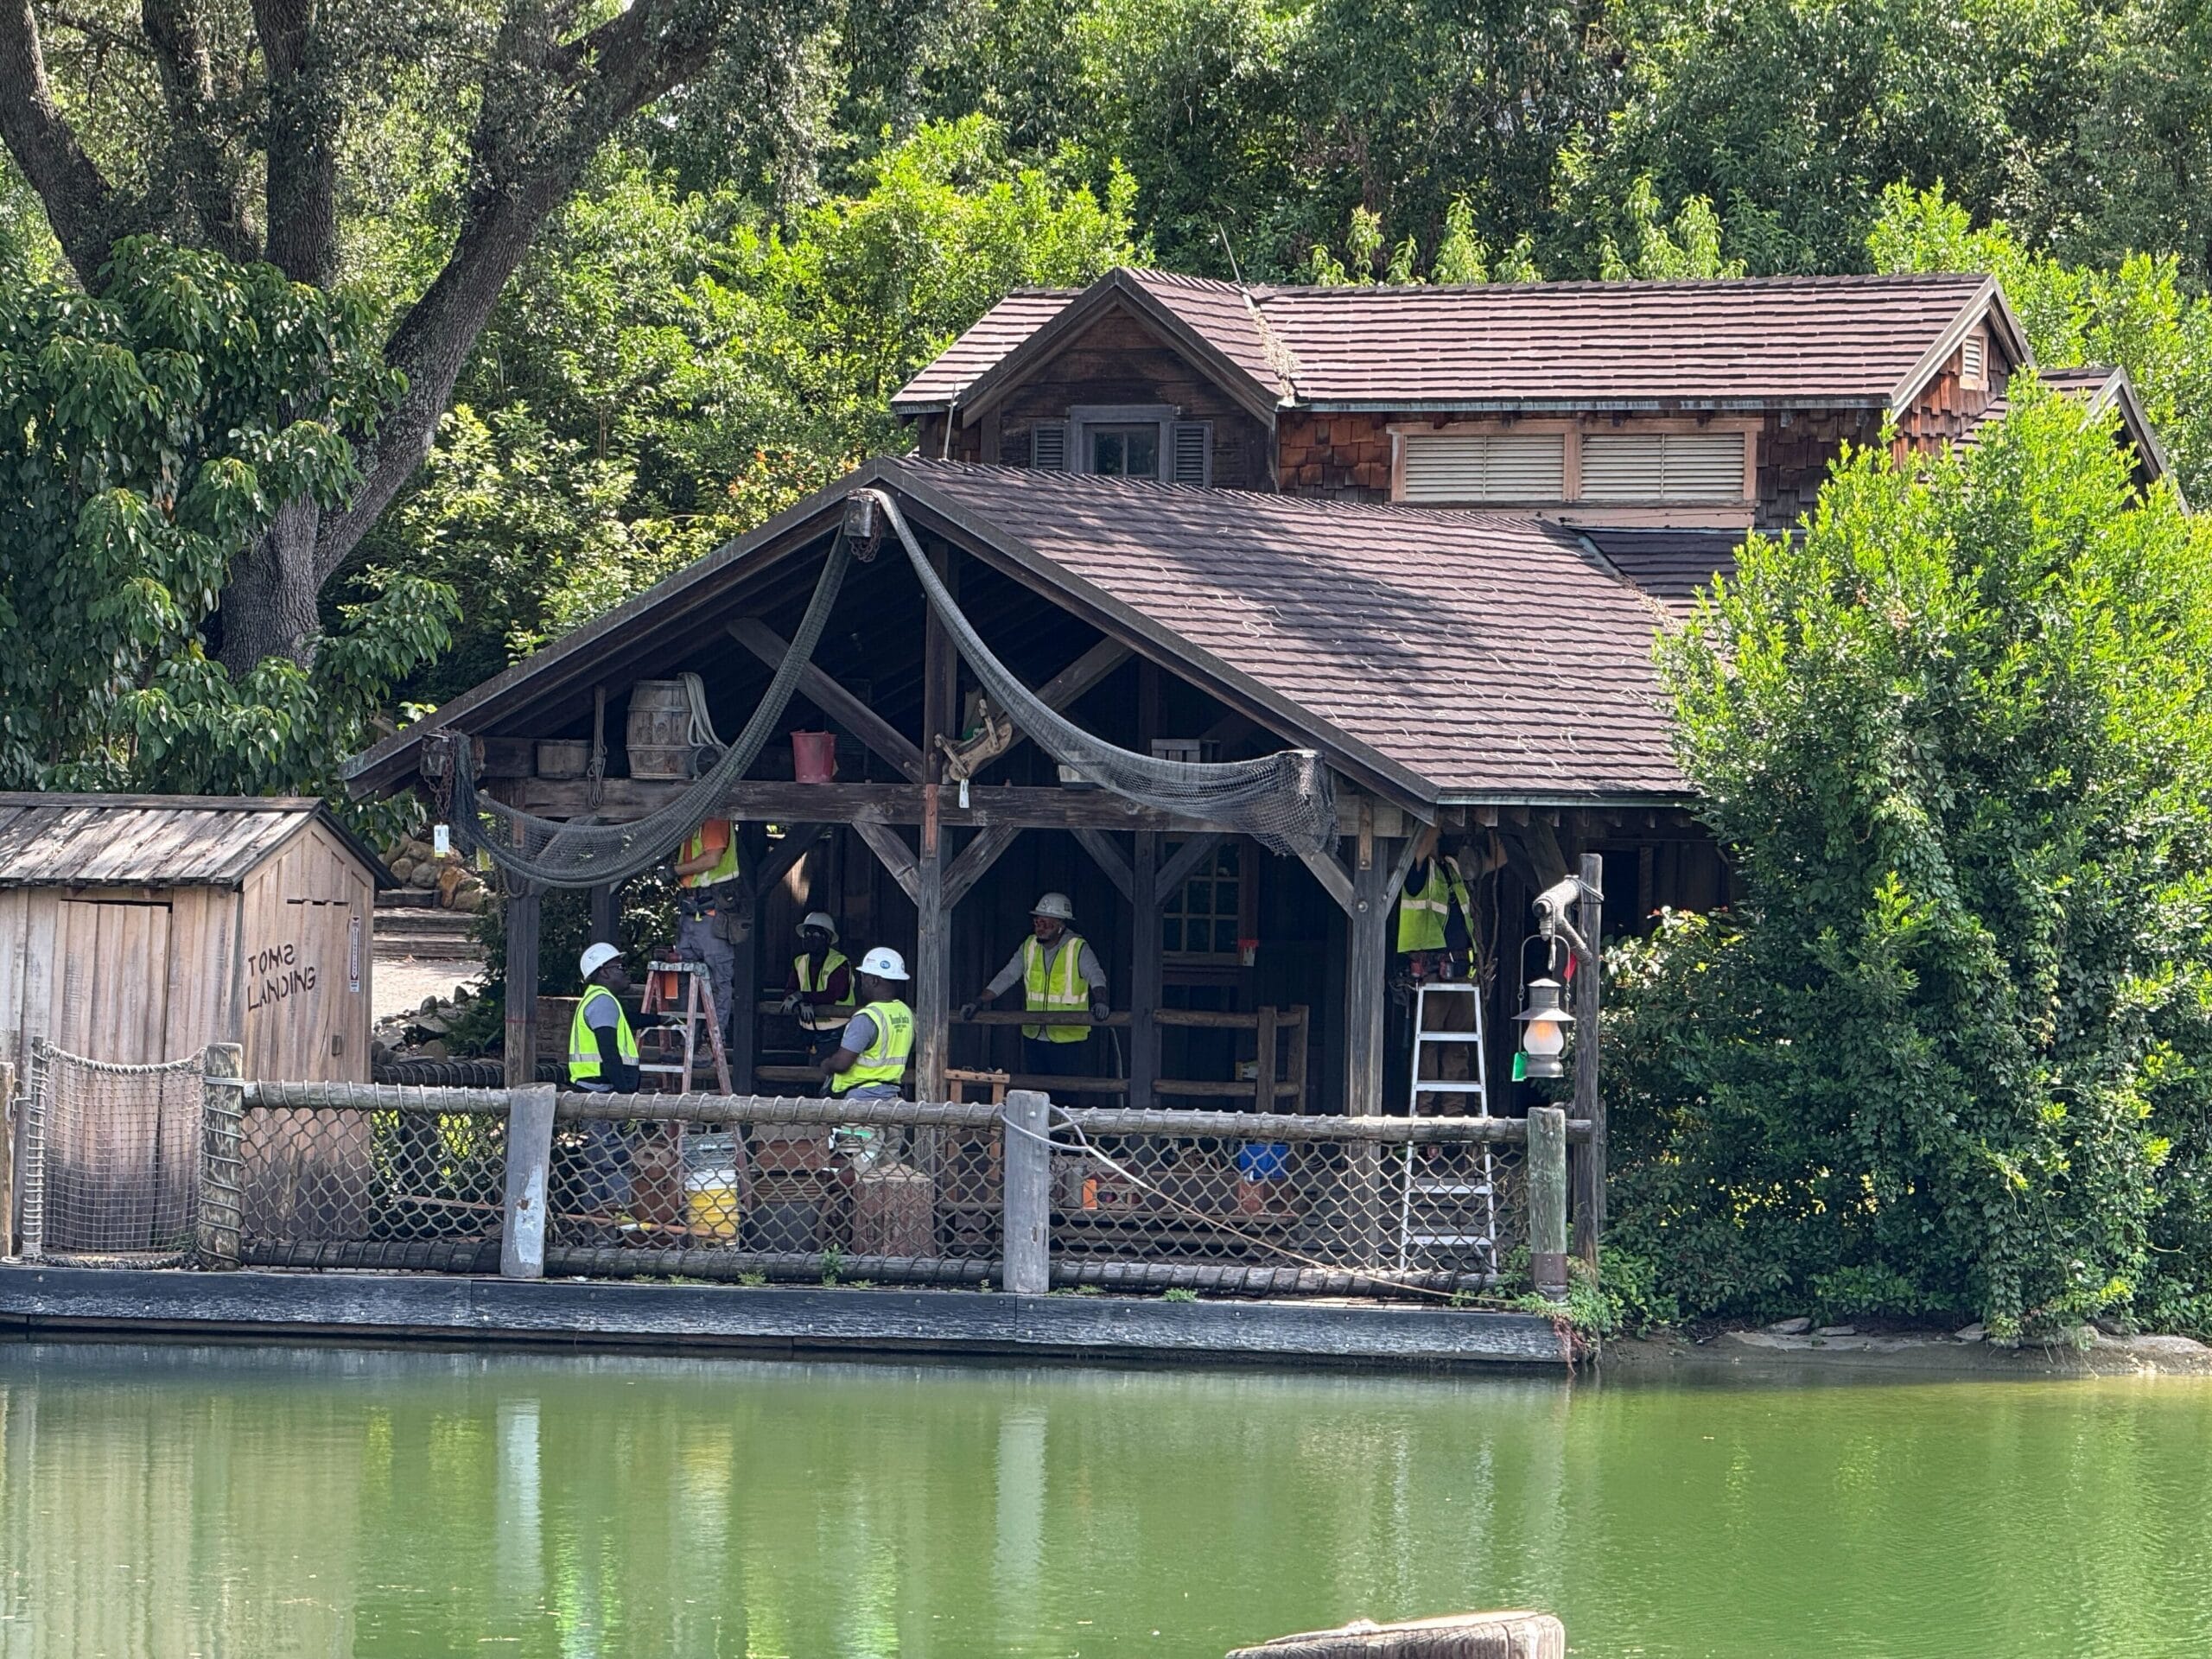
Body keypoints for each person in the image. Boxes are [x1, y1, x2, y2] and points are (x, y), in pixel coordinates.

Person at [961, 892, 1109, 1081]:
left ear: (1061, 926)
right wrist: (979, 1001)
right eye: (1038, 922)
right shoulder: (1029, 946)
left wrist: (1101, 1001)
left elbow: (1095, 975)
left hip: (1068, 1038)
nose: (1040, 928)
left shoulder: (1077, 947)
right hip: (1034, 1036)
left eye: (1046, 923)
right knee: (1036, 1092)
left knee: (1065, 1096)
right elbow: (1007, 975)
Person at [569, 942, 641, 1213]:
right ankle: (613, 1222)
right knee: (614, 1160)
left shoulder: (598, 1000)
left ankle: (597, 1224)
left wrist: (659, 1019)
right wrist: (626, 1100)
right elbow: (609, 1052)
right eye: (619, 967)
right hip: (605, 1095)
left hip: (594, 1093)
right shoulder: (602, 1002)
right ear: (604, 973)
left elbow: (627, 1021)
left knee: (598, 1161)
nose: (625, 973)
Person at [671, 817, 741, 1044]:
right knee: (686, 978)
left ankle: (712, 1041)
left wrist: (674, 870)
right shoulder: (691, 823)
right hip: (691, 912)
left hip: (712, 914)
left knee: (718, 981)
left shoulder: (713, 819)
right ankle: (689, 1038)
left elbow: (712, 858)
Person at [821, 947, 915, 1101]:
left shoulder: (867, 1018)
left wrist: (826, 1065)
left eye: (864, 976)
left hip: (862, 1100)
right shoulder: (906, 1013)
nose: (861, 982)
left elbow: (841, 1064)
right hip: (893, 1098)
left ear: (874, 980)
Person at [780, 911, 855, 1065]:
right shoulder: (799, 961)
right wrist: (801, 1003)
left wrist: (801, 996)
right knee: (808, 1075)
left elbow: (831, 995)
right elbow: (789, 991)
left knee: (828, 1076)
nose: (810, 939)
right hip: (808, 1031)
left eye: (816, 935)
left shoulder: (839, 963)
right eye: (807, 934)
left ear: (828, 939)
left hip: (837, 1033)